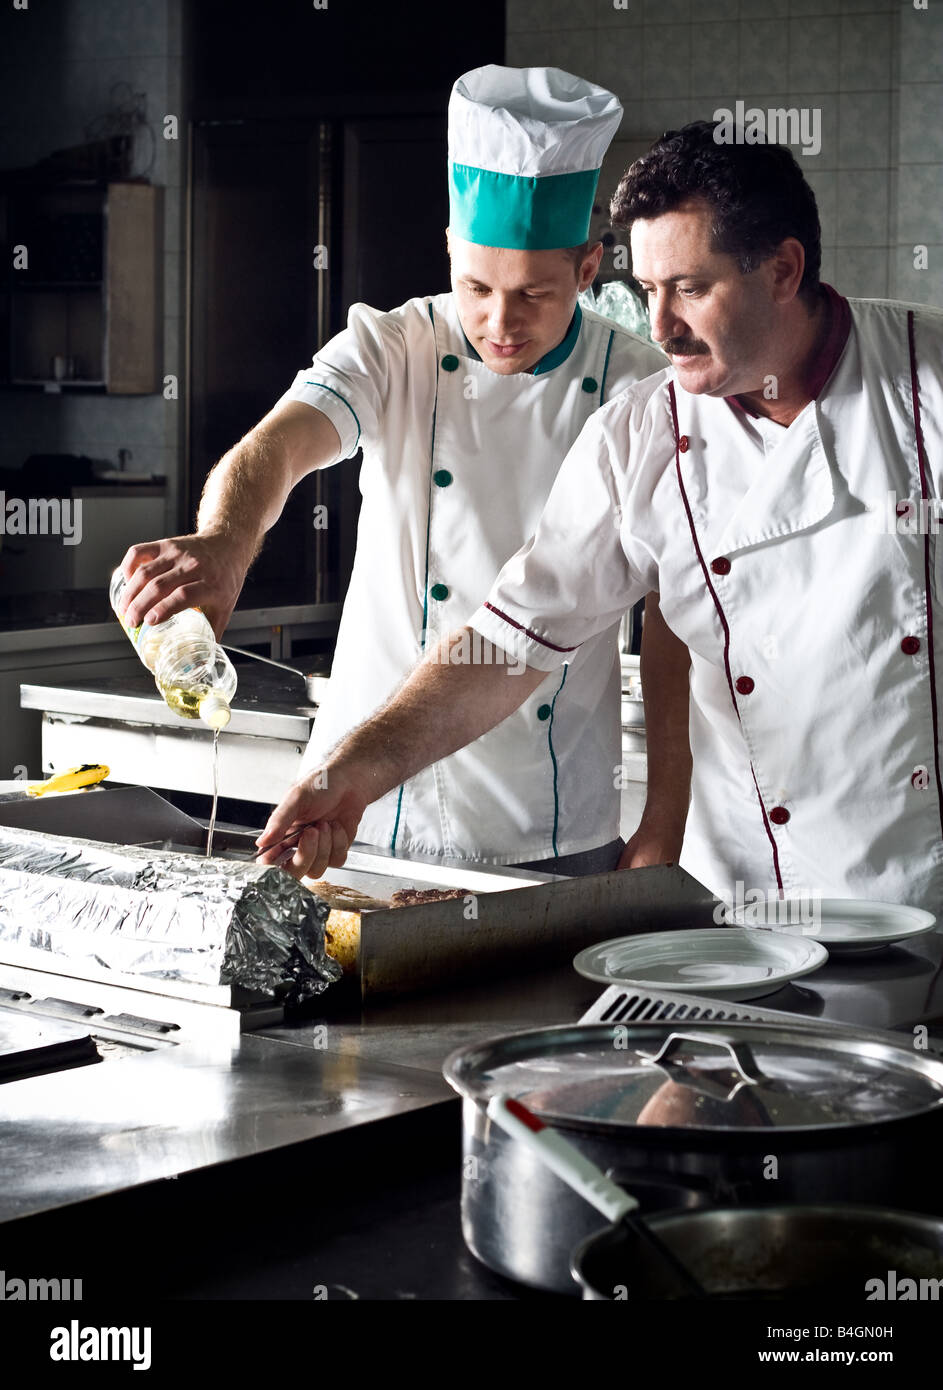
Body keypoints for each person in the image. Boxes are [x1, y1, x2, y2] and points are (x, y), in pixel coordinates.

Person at [256, 120, 943, 918]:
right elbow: (505, 645)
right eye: (647, 291)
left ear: (783, 269)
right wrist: (355, 772)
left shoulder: (923, 385)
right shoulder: (638, 431)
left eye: (689, 287)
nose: (660, 328)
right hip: (742, 897)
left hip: (918, 881)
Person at [117, 66, 681, 876]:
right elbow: (277, 446)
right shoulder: (394, 344)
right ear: (449, 249)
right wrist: (225, 541)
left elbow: (673, 624)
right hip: (355, 810)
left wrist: (664, 817)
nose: (499, 321)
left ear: (588, 269)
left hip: (547, 824)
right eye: (476, 285)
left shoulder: (636, 386)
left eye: (533, 294)